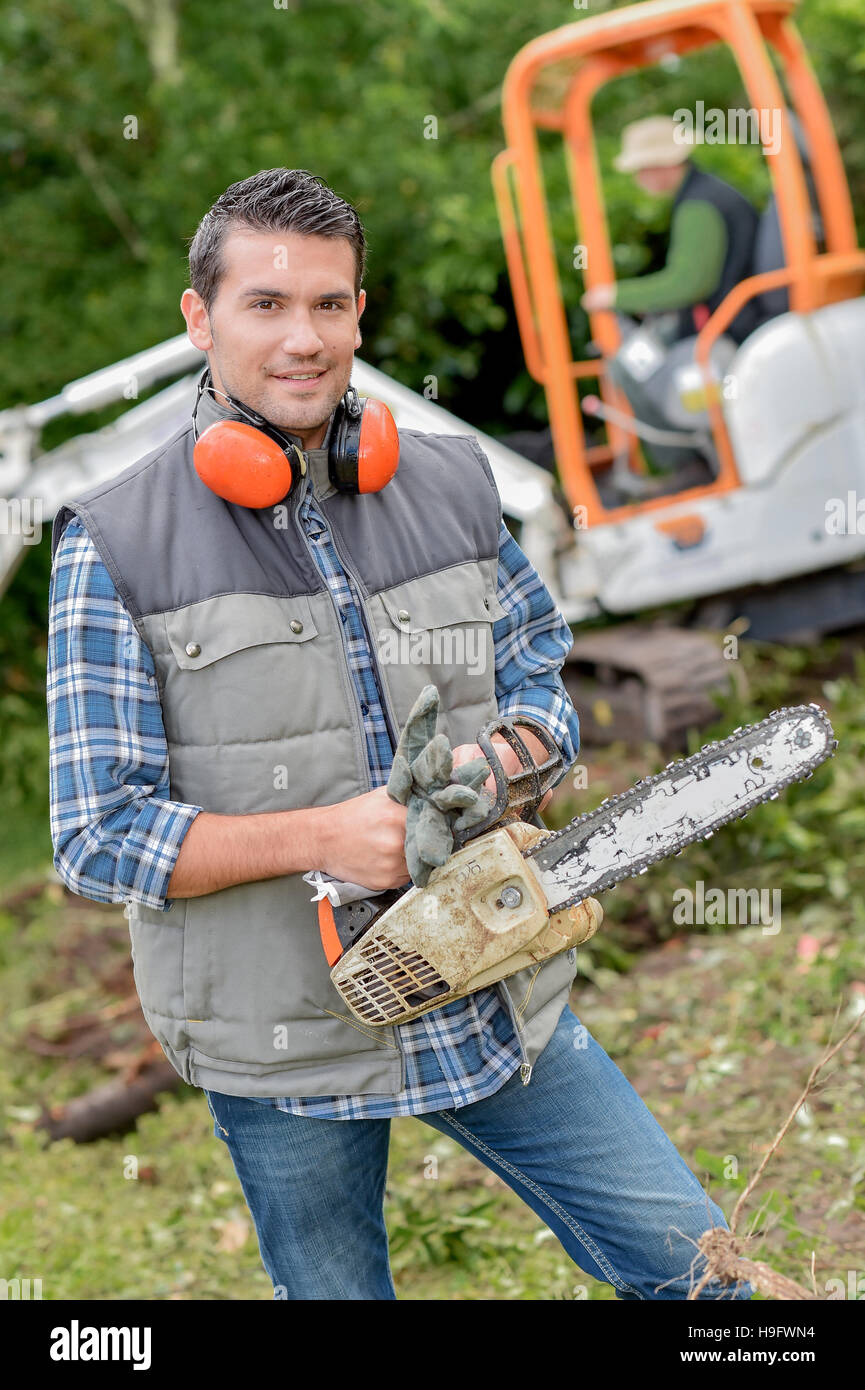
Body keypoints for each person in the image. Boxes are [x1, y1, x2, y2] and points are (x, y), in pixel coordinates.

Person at [47, 167, 753, 1302]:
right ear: (199, 319)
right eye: (265, 305)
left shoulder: (453, 480)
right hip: (284, 1045)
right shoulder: (115, 545)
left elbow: (540, 688)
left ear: (360, 314)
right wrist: (321, 834)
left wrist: (503, 766)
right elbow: (95, 835)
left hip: (491, 987)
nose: (304, 337)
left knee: (704, 1282)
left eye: (330, 304)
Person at [582, 115, 759, 476]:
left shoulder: (698, 206)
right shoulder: (704, 194)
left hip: (731, 330)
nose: (638, 178)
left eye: (641, 168)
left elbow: (688, 284)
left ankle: (687, 468)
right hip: (729, 322)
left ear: (662, 165)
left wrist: (613, 295)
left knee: (625, 368)